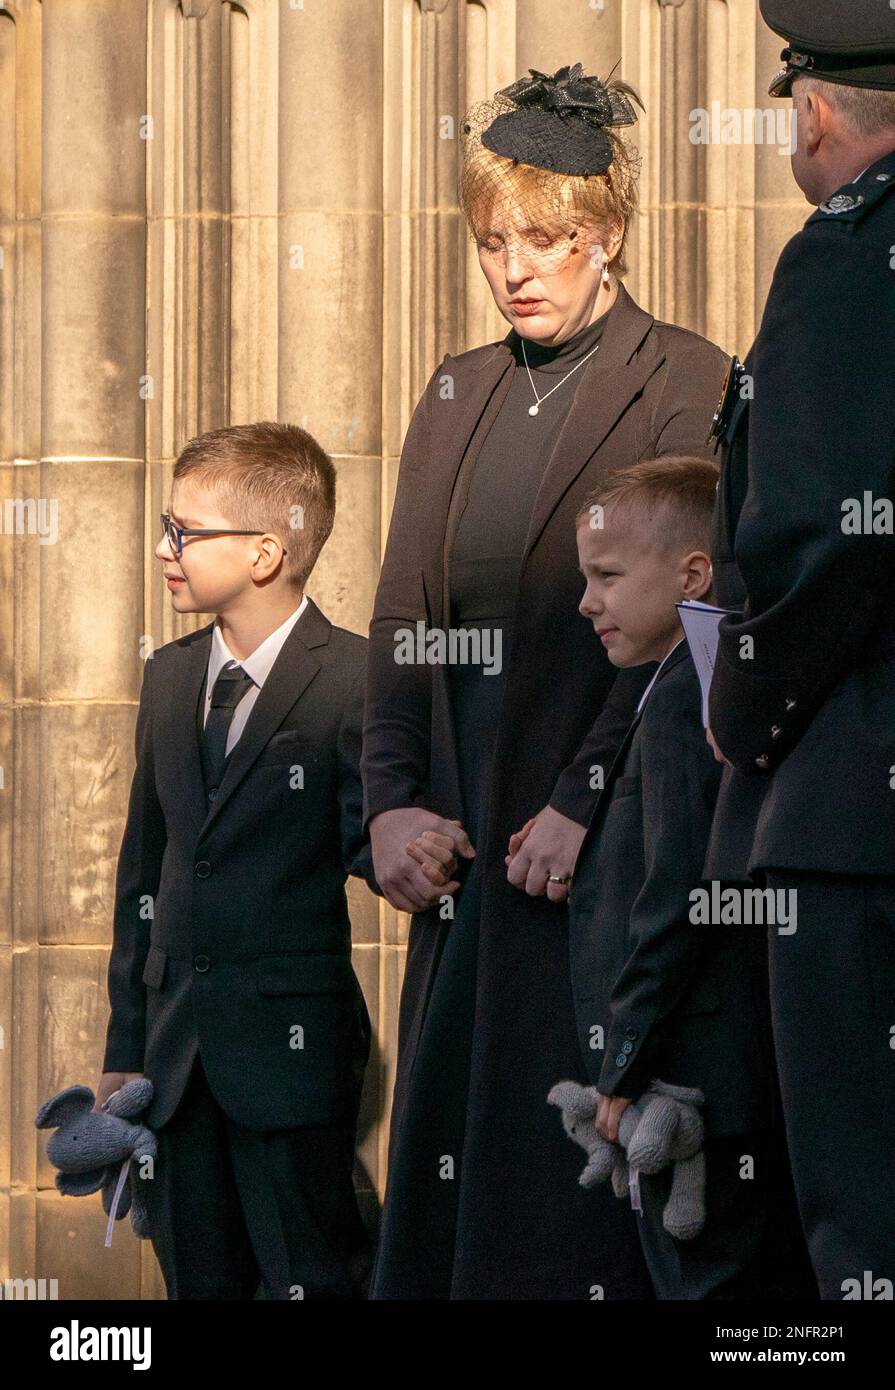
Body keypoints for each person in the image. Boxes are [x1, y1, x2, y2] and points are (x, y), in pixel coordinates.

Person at [362, 61, 728, 1299]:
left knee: (564, 1216)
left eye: (548, 238)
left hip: (593, 853)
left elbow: (692, 616)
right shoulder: (457, 390)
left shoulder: (687, 374)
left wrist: (584, 792)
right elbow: (403, 615)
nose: (516, 267)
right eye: (493, 242)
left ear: (608, 234)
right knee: (451, 1210)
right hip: (466, 856)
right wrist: (391, 806)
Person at [705, 0, 895, 1299]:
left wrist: (742, 705)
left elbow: (818, 531)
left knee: (861, 1230)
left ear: (813, 110)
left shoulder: (840, 255)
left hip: (851, 829)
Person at [98, 423, 375, 1299]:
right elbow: (143, 873)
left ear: (265, 551)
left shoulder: (357, 679)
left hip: (291, 1068)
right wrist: (125, 1046)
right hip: (175, 1065)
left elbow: (373, 838)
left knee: (311, 1278)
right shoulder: (172, 674)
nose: (162, 548)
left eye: (184, 532)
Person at [565, 458, 815, 1300]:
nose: (585, 602)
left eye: (605, 576)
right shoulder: (665, 686)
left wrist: (623, 1060)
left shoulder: (687, 695)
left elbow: (676, 893)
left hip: (693, 1077)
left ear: (693, 574)